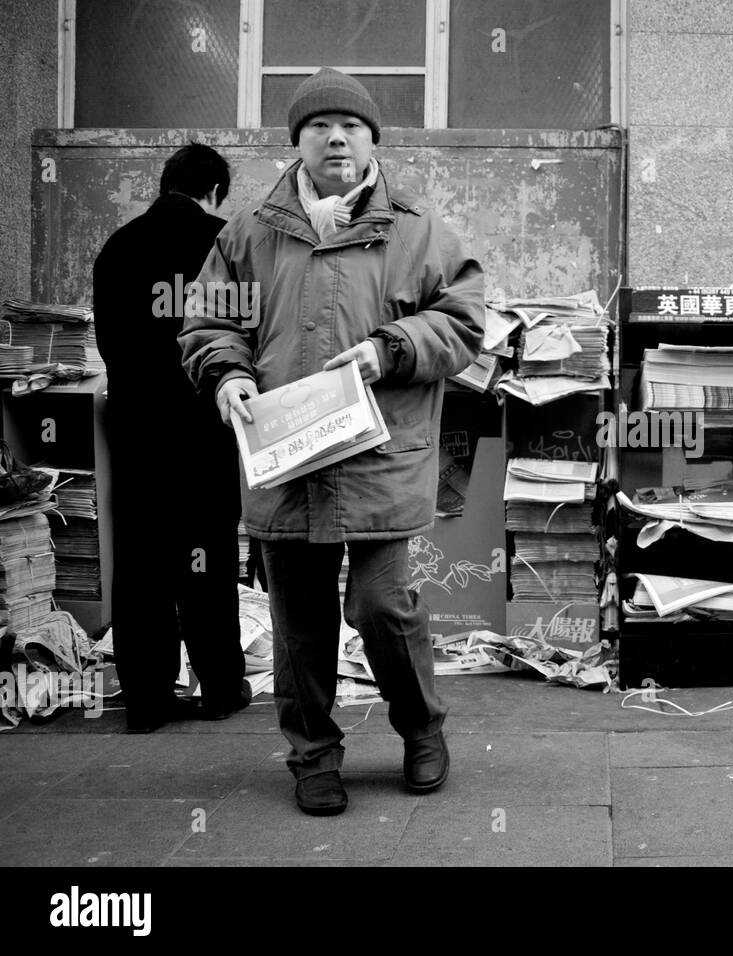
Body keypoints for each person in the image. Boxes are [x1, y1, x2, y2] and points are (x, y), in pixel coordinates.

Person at [179, 68, 485, 816]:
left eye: (351, 126)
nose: (336, 138)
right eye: (319, 126)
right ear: (298, 141)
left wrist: (391, 349)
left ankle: (421, 728)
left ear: (373, 139)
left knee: (382, 606)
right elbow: (209, 322)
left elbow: (465, 322)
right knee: (299, 625)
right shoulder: (249, 233)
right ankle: (314, 755)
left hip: (381, 458)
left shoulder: (419, 230)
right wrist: (227, 375)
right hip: (285, 458)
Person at [93, 143, 250, 734]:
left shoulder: (118, 246)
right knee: (206, 554)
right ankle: (220, 687)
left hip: (136, 429)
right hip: (204, 426)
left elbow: (110, 344)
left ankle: (146, 699)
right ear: (214, 191)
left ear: (165, 185)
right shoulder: (225, 242)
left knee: (140, 560)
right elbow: (242, 334)